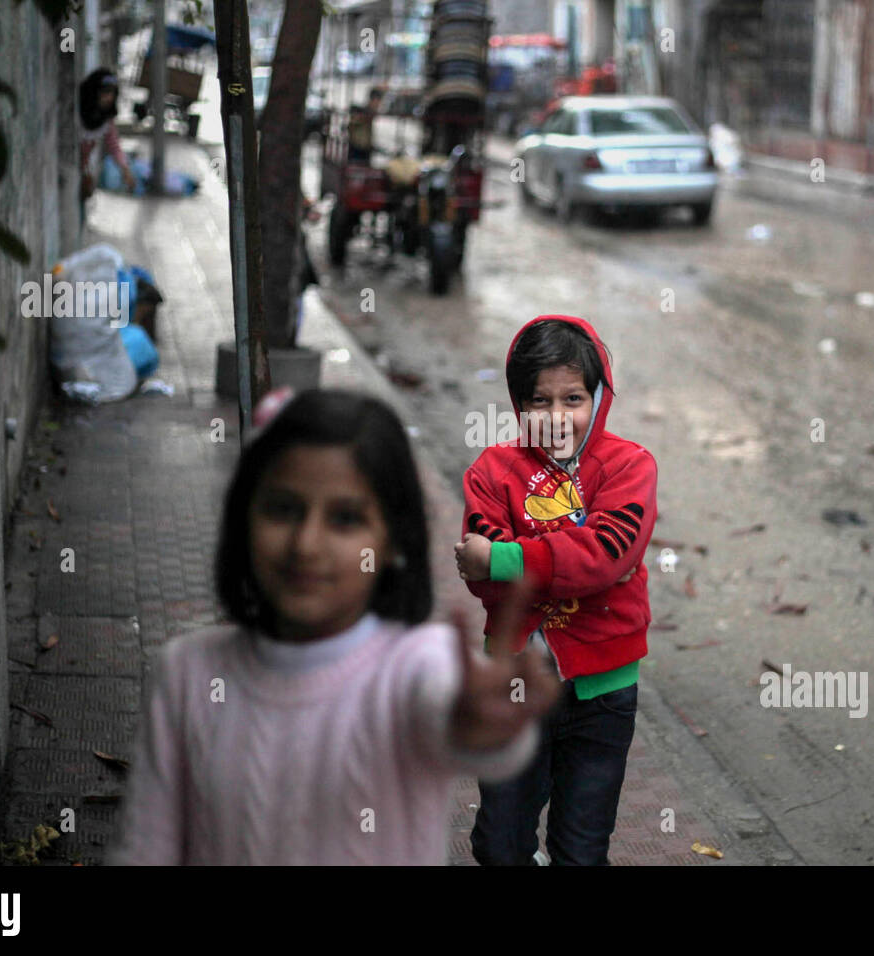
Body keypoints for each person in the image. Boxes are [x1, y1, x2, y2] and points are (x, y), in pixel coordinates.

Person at [109, 389, 559, 865]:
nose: (306, 544)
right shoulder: (186, 673)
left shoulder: (414, 665)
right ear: (244, 516)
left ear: (392, 541)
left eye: (345, 519)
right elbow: (146, 847)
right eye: (283, 509)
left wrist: (483, 723)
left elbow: (463, 726)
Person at [454, 315, 658, 865]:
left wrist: (504, 557)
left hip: (604, 694)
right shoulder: (491, 472)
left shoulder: (630, 466)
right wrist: (578, 563)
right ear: (519, 406)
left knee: (581, 849)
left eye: (573, 397)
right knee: (500, 844)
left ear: (599, 395)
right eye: (539, 401)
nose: (556, 416)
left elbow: (608, 554)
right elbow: (495, 592)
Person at [78, 68, 136, 224]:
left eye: (111, 94)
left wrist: (125, 170)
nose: (108, 98)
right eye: (104, 93)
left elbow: (114, 145)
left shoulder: (105, 120)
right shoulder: (75, 111)